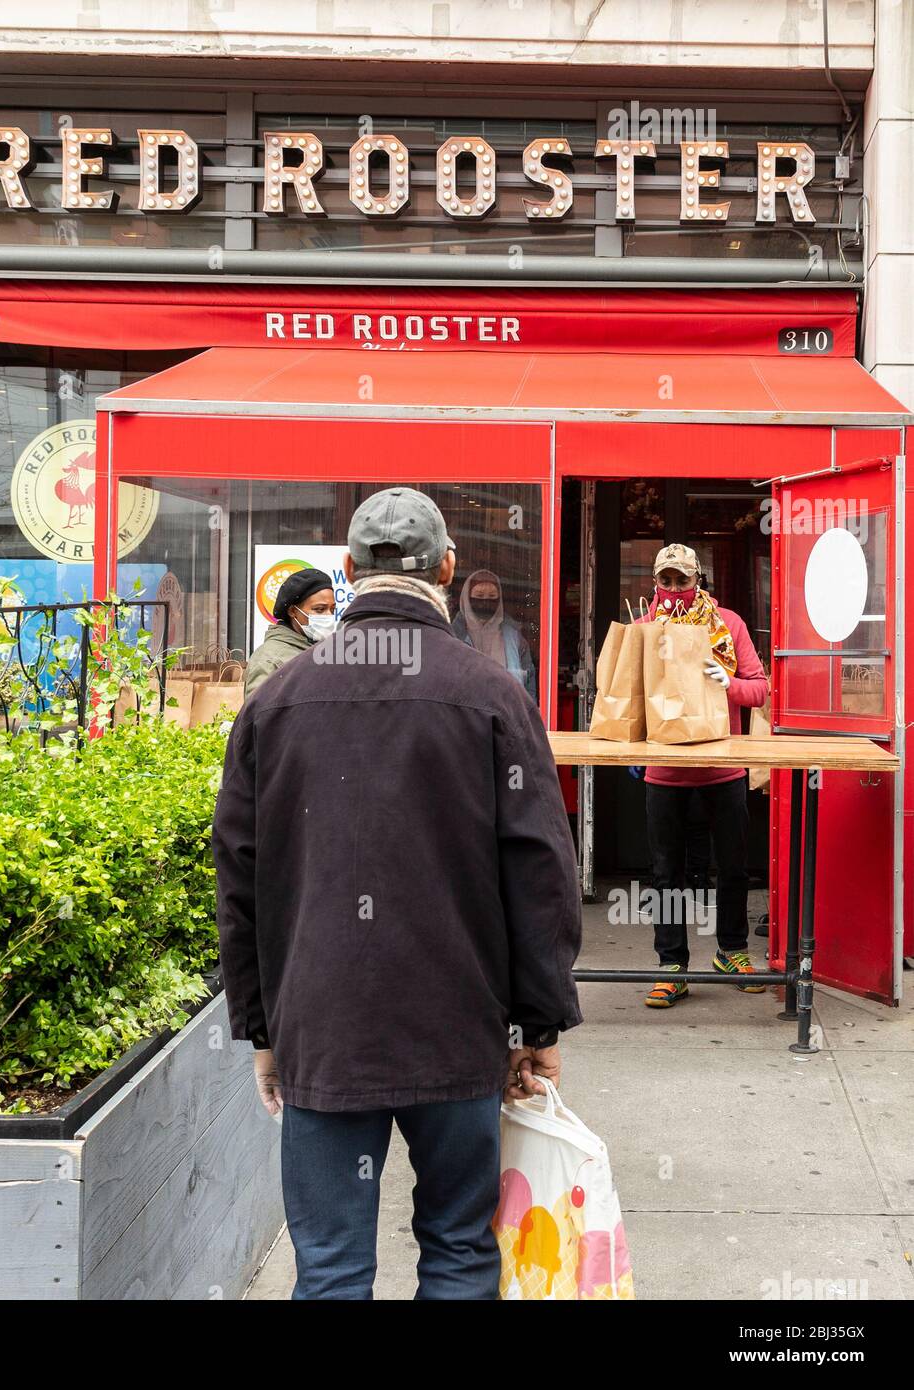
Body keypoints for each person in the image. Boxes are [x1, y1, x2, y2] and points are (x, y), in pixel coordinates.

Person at [212, 486, 582, 1300]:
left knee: (333, 1267)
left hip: (324, 1028)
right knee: (458, 1249)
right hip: (457, 1027)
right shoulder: (493, 697)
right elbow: (542, 870)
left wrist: (262, 1028)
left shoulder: (275, 703)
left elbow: (239, 878)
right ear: (449, 569)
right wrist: (541, 1021)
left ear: (347, 573)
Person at [636, 544, 769, 1008]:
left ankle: (731, 951)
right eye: (666, 581)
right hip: (665, 773)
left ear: (699, 582)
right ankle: (672, 965)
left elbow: (760, 688)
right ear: (656, 582)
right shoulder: (643, 629)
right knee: (665, 873)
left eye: (683, 581)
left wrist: (727, 682)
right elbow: (627, 696)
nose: (675, 590)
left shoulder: (728, 625)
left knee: (732, 867)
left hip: (722, 768)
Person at [243, 567, 336, 699]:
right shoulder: (269, 660)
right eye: (319, 609)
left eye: (332, 609)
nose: (329, 616)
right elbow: (259, 716)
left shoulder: (323, 651)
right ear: (292, 611)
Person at [451, 569, 538, 699]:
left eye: (492, 596)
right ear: (467, 599)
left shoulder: (513, 638)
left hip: (507, 713)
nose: (485, 602)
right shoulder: (453, 636)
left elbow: (528, 681)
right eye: (479, 596)